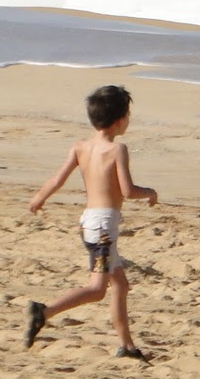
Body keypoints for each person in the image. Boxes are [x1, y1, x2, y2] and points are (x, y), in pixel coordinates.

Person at [24, 84, 159, 358]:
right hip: (103, 229)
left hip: (90, 223)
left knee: (120, 285)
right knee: (97, 289)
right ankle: (44, 312)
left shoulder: (80, 147)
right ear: (120, 120)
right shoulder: (117, 149)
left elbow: (57, 179)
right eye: (128, 116)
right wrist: (150, 193)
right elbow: (128, 191)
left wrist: (39, 198)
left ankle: (127, 346)